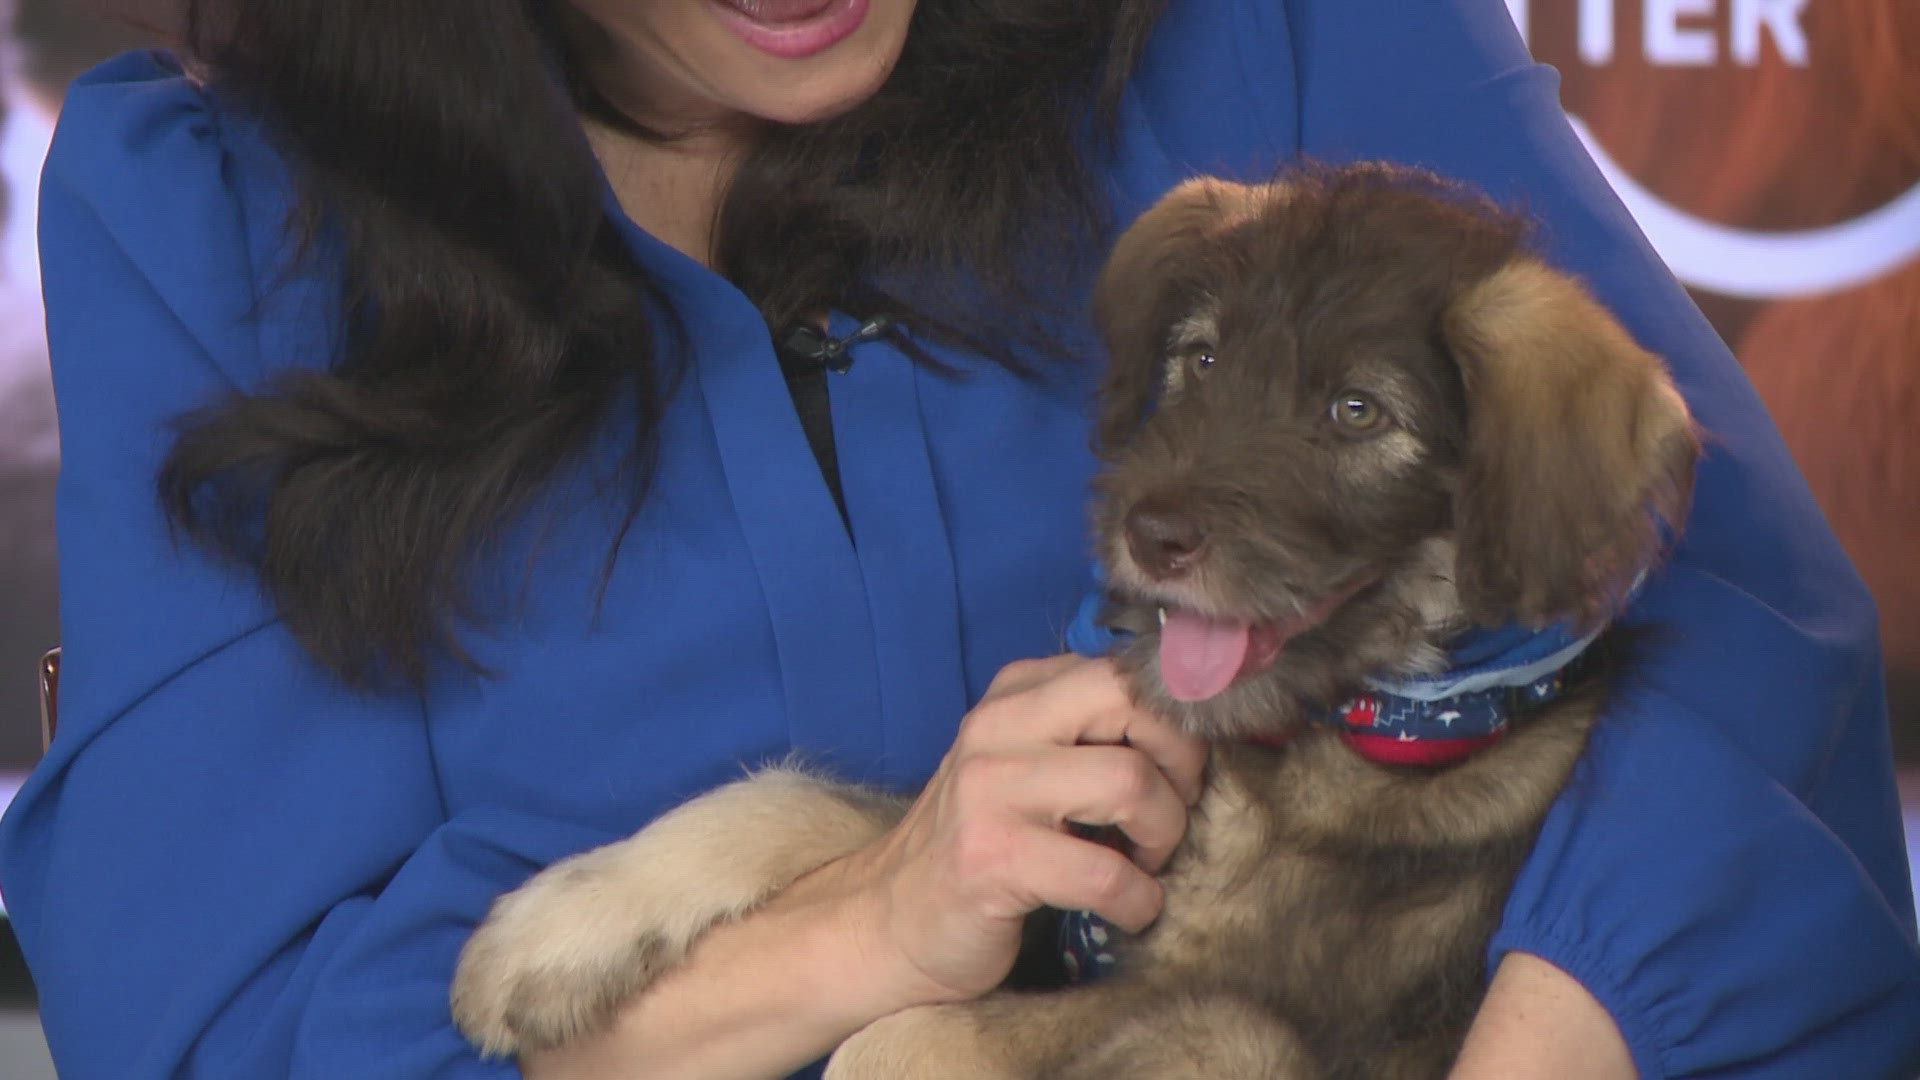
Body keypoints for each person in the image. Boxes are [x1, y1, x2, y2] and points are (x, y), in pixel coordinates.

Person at [1, 0, 1915, 1078]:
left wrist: (1539, 1048)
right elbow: (213, 1025)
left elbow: (1750, 625)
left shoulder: (1275, 30)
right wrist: (856, 926)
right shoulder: (205, 219)